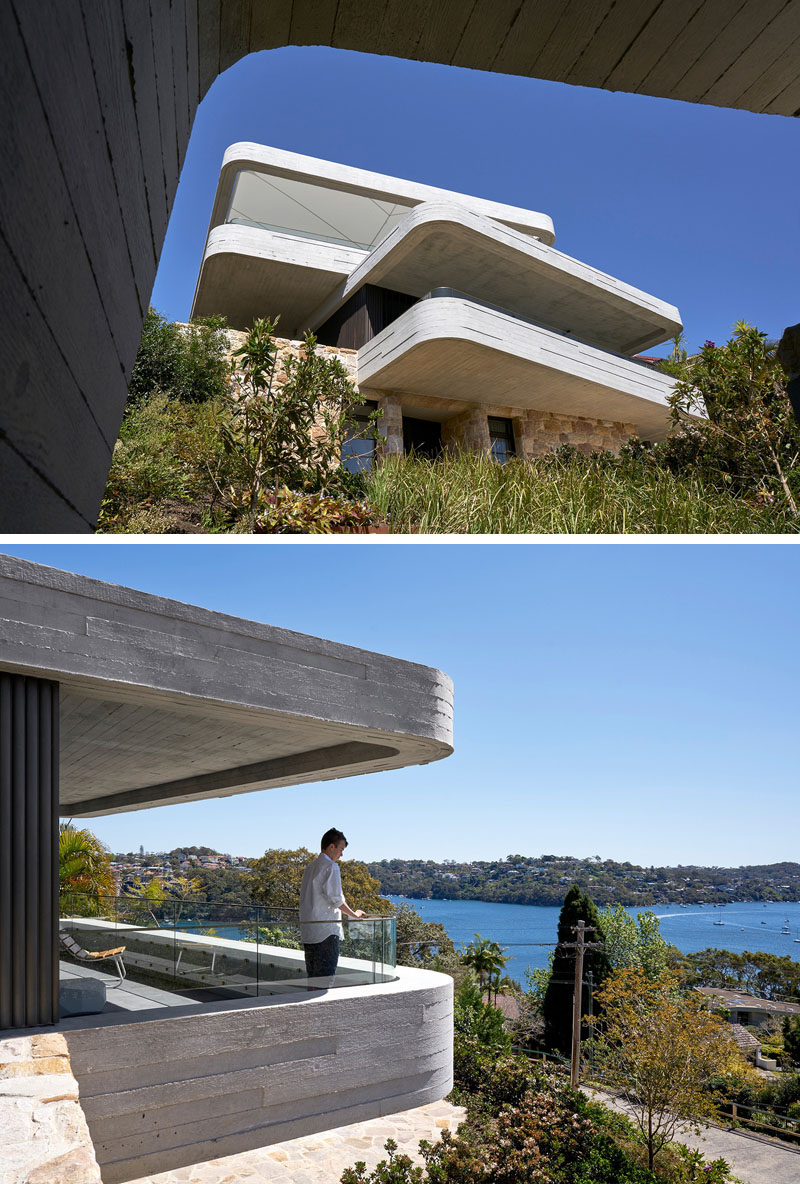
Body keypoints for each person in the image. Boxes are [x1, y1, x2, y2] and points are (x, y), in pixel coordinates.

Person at [299, 828, 364, 988]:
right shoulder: (330, 867)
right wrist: (354, 915)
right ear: (331, 847)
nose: (341, 854)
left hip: (309, 932)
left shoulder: (310, 867)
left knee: (312, 981)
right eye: (341, 849)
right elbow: (336, 900)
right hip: (326, 933)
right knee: (324, 984)